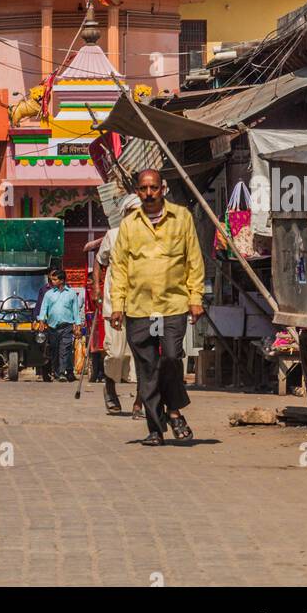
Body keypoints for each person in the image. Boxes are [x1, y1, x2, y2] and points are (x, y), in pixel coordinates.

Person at [110, 168, 205, 446]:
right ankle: (155, 428)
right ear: (137, 192)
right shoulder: (129, 225)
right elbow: (120, 268)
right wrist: (117, 305)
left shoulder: (182, 218)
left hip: (172, 304)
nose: (149, 194)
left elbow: (194, 260)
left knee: (172, 357)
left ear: (162, 188)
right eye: (143, 189)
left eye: (153, 188)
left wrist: (195, 298)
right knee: (147, 368)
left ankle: (173, 409)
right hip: (139, 308)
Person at [93, 194, 143, 418]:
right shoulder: (112, 236)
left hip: (143, 305)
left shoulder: (151, 236)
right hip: (115, 305)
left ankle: (140, 403)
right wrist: (96, 287)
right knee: (115, 354)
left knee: (143, 356)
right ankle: (110, 387)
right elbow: (99, 261)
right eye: (133, 212)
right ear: (125, 214)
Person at [36, 266, 82, 381]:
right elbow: (43, 308)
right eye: (52, 279)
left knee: (64, 349)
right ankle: (56, 372)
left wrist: (78, 325)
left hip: (67, 326)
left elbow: (76, 310)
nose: (52, 281)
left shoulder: (71, 294)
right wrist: (41, 321)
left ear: (62, 280)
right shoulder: (48, 294)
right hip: (52, 327)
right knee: (54, 350)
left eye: (55, 279)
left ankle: (62, 373)